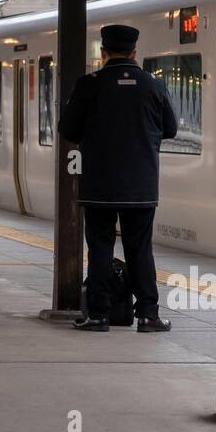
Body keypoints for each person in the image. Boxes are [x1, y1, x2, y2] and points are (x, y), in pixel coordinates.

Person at [59, 24, 178, 333]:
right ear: (135, 52)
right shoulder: (154, 85)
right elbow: (171, 129)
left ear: (103, 52)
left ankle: (98, 315)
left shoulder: (89, 85)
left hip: (99, 185)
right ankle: (148, 315)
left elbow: (68, 131)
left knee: (99, 248)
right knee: (141, 250)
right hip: (141, 186)